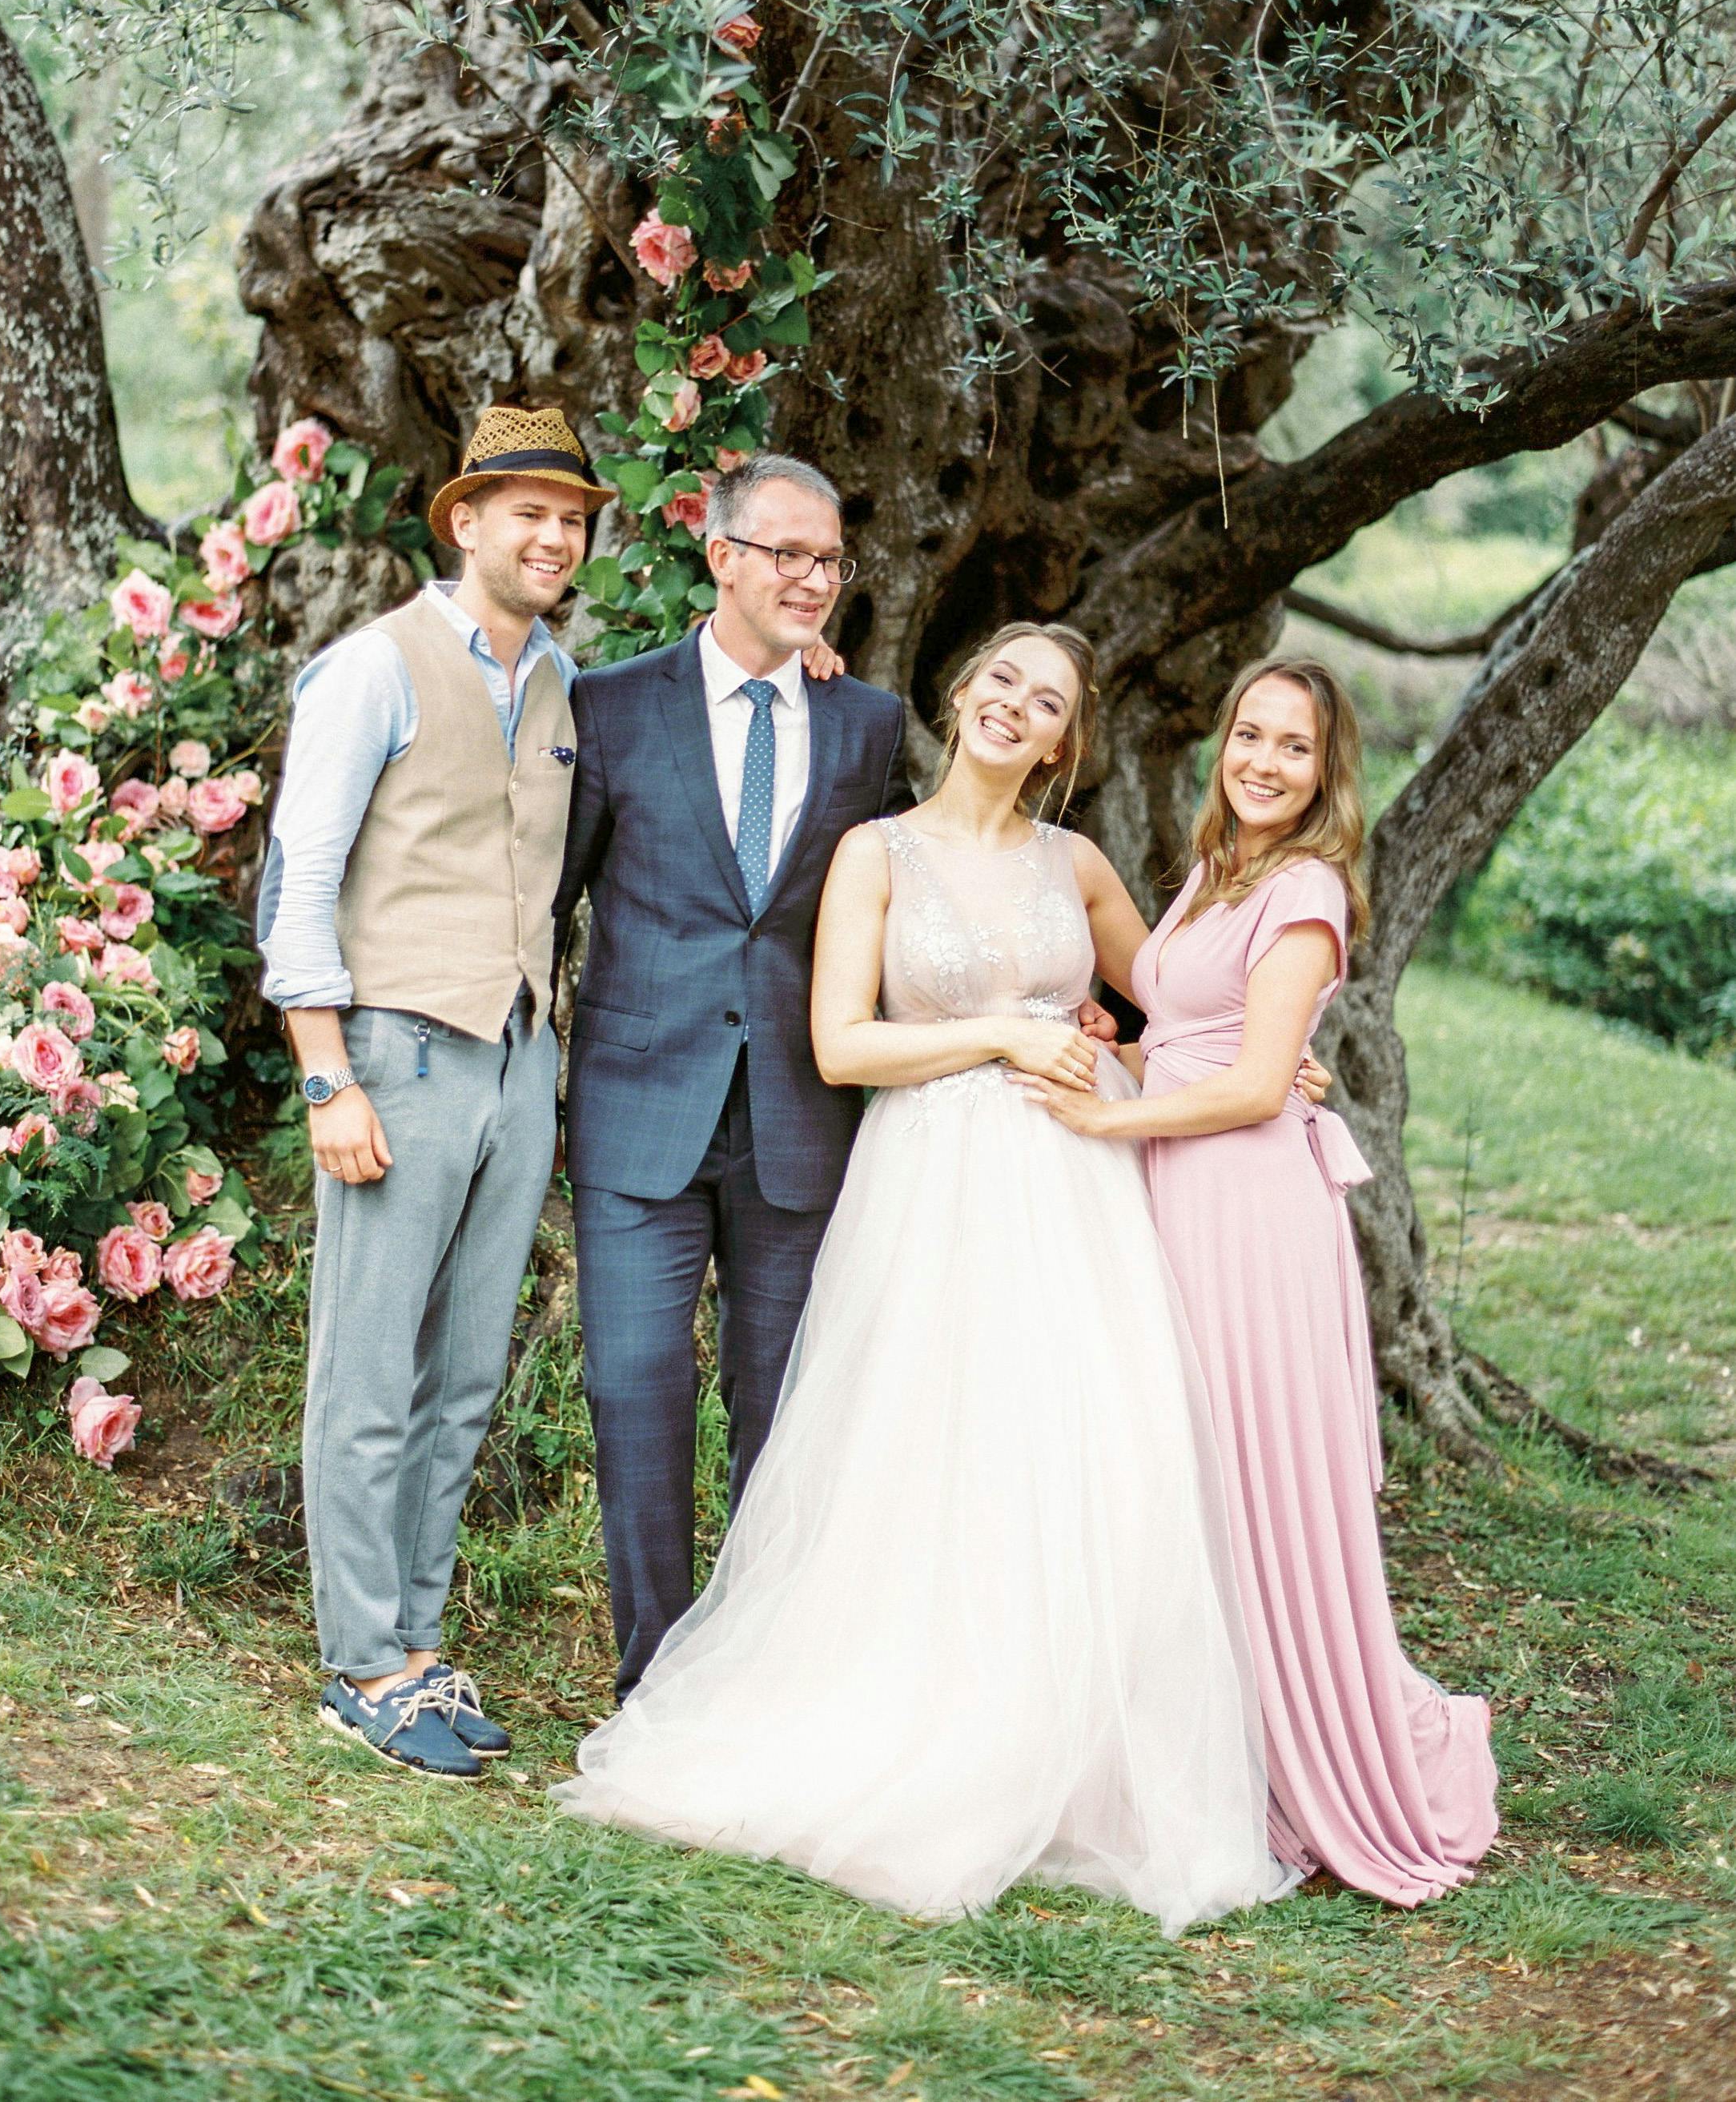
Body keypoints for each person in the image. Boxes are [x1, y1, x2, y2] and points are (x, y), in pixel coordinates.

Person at [553, 623, 1294, 1931]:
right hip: (926, 1185)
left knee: (1060, 1454)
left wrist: (1278, 1058)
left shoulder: (1077, 865)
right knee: (918, 1445)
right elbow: (841, 1045)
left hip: (1072, 1191)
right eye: (1001, 679)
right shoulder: (872, 851)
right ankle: (894, 1712)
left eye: (1048, 699)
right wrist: (1007, 1028)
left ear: (1066, 741)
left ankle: (1053, 1745)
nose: (1016, 706)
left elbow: (1183, 1001)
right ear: (961, 696)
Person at [1017, 657, 1500, 1905]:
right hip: (1184, 1194)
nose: (1263, 762)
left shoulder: (1304, 887)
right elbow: (1193, 1028)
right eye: (1248, 735)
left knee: (1252, 1482)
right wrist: (1112, 1041)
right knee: (1189, 1480)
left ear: (1325, 771)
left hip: (1245, 1213)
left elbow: (1246, 1084)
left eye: (1293, 747)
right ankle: (1204, 1745)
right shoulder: (1215, 871)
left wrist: (1100, 1124)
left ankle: (1314, 1750)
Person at [257, 403, 610, 1778]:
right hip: (394, 1053)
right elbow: (298, 881)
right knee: (366, 1369)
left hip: (520, 1057)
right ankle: (359, 1659)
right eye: (527, 511)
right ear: (464, 523)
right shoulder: (375, 669)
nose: (552, 536)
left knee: (462, 1374)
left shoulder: (565, 683)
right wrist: (325, 1078)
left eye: (572, 519)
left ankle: (417, 1638)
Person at [553, 452, 911, 1701]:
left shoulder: (867, 727)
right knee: (634, 1395)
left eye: (830, 560)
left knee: (784, 1408)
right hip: (638, 1112)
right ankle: (653, 1676)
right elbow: (547, 901)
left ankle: (761, 1676)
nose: (815, 579)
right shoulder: (607, 706)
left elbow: (911, 906)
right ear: (722, 559)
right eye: (789, 556)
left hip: (800, 1124)